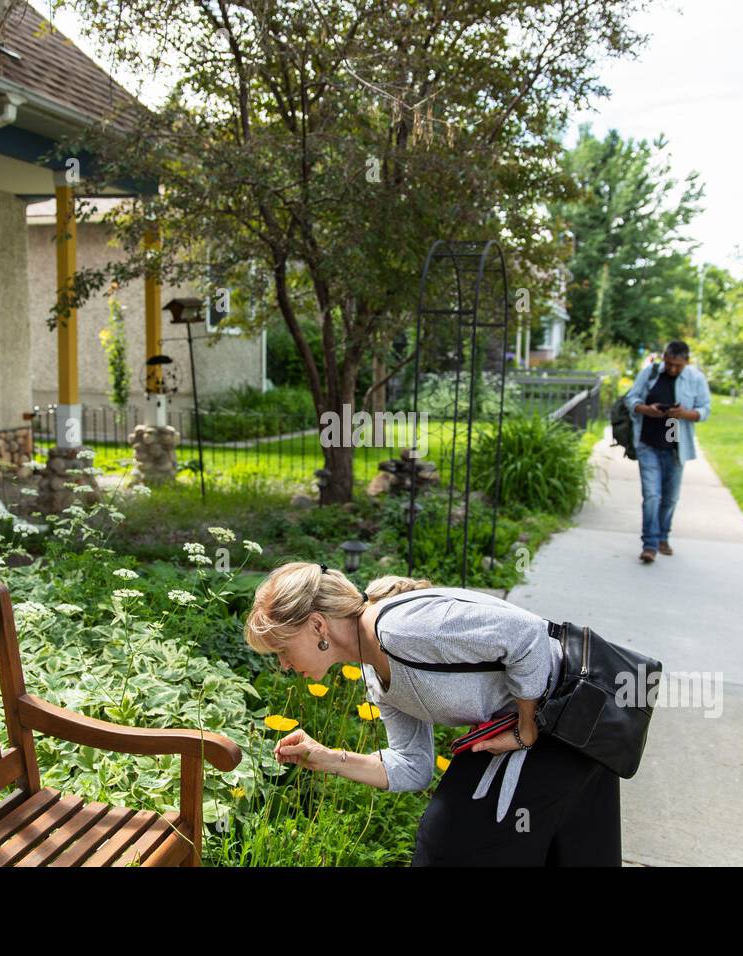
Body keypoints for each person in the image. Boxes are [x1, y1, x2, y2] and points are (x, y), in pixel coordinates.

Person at [243, 562, 622, 866]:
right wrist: (328, 759)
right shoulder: (377, 674)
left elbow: (528, 637)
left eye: (281, 650)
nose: (284, 666)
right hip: (533, 733)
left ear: (316, 625)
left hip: (568, 720)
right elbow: (413, 766)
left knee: (449, 842)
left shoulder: (402, 630)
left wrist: (527, 728)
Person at [624, 339, 711, 563]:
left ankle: (663, 536)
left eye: (677, 366)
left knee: (670, 498)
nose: (672, 369)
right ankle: (650, 545)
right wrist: (646, 409)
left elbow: (705, 410)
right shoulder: (651, 373)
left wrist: (684, 414)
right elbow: (631, 398)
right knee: (652, 495)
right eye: (669, 363)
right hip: (648, 443)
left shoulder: (696, 378)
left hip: (675, 446)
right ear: (664, 357)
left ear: (687, 362)